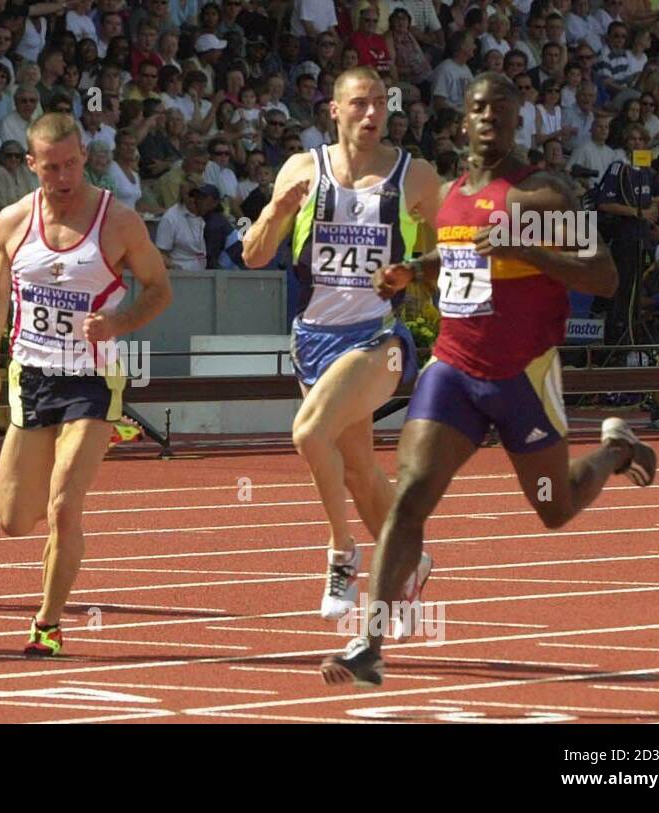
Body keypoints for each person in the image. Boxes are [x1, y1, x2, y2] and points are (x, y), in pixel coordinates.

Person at [321, 73, 658, 688]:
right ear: (464, 120)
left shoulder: (545, 196)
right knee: (411, 494)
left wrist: (529, 254)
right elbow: (457, 256)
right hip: (453, 369)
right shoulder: (450, 193)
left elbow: (606, 276)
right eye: (479, 110)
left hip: (522, 373)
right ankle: (368, 643)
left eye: (502, 111)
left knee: (553, 509)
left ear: (518, 120)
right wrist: (412, 270)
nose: (489, 120)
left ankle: (615, 450)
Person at [0, 112, 172, 657]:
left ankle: (47, 623)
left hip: (91, 377)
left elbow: (158, 289)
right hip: (32, 377)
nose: (63, 176)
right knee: (14, 520)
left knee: (64, 505)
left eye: (72, 164)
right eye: (51, 167)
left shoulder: (119, 222)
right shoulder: (14, 220)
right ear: (31, 164)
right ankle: (97, 441)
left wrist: (120, 323)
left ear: (85, 157)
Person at [242, 66, 439, 621]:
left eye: (380, 103)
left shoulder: (415, 175)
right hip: (313, 340)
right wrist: (279, 211)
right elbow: (254, 256)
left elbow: (457, 254)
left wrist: (417, 269)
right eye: (359, 104)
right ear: (334, 110)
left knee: (308, 433)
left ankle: (341, 551)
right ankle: (409, 562)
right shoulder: (303, 169)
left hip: (379, 338)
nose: (372, 113)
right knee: (357, 470)